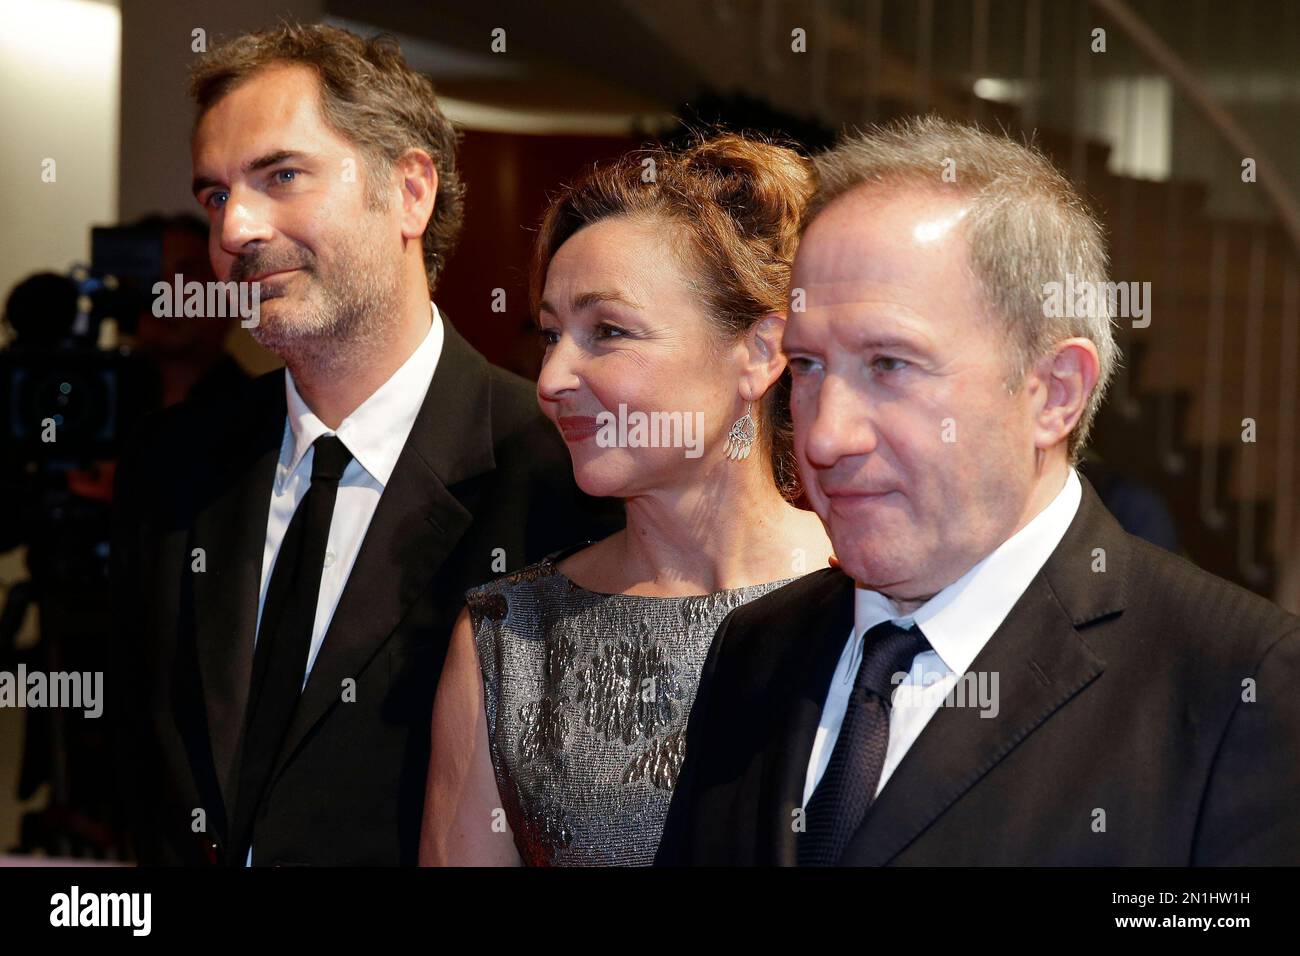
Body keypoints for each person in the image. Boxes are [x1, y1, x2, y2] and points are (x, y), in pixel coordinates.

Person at [656, 116, 1300, 866]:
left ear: (1054, 392)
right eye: (808, 367)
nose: (825, 437)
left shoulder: (1237, 685)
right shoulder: (756, 646)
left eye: (889, 364)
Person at [109, 23, 618, 867]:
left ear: (410, 189)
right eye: (213, 196)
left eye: (281, 176)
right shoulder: (172, 464)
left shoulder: (559, 473)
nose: (234, 228)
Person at [420, 133, 833, 865]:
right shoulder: (508, 640)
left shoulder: (876, 601)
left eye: (607, 331)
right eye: (551, 335)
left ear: (762, 351)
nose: (551, 379)